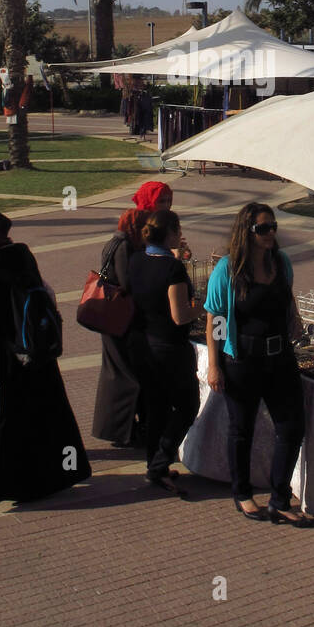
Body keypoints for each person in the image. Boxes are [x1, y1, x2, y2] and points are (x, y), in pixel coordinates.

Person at [0, 207, 91, 506]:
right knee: (49, 408)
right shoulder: (22, 253)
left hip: (9, 350)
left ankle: (21, 483)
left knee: (18, 416)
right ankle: (63, 470)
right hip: (36, 343)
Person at [204, 203, 313, 526]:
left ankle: (279, 498)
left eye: (273, 226)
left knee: (292, 428)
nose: (270, 233)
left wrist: (294, 319)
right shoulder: (229, 269)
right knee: (242, 429)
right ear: (247, 233)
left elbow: (287, 298)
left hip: (280, 358)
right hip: (242, 359)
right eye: (262, 228)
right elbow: (216, 317)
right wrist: (215, 363)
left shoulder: (281, 263)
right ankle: (242, 493)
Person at [126, 210, 201, 495]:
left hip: (140, 344)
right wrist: (203, 306)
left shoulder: (136, 259)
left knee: (155, 406)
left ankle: (153, 465)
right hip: (168, 347)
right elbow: (180, 316)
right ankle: (160, 462)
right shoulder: (172, 269)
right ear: (170, 233)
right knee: (186, 405)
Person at [91, 207, 149, 448]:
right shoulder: (124, 246)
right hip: (119, 319)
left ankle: (121, 428)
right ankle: (122, 429)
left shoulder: (114, 242)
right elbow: (127, 282)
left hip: (111, 319)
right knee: (125, 374)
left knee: (117, 373)